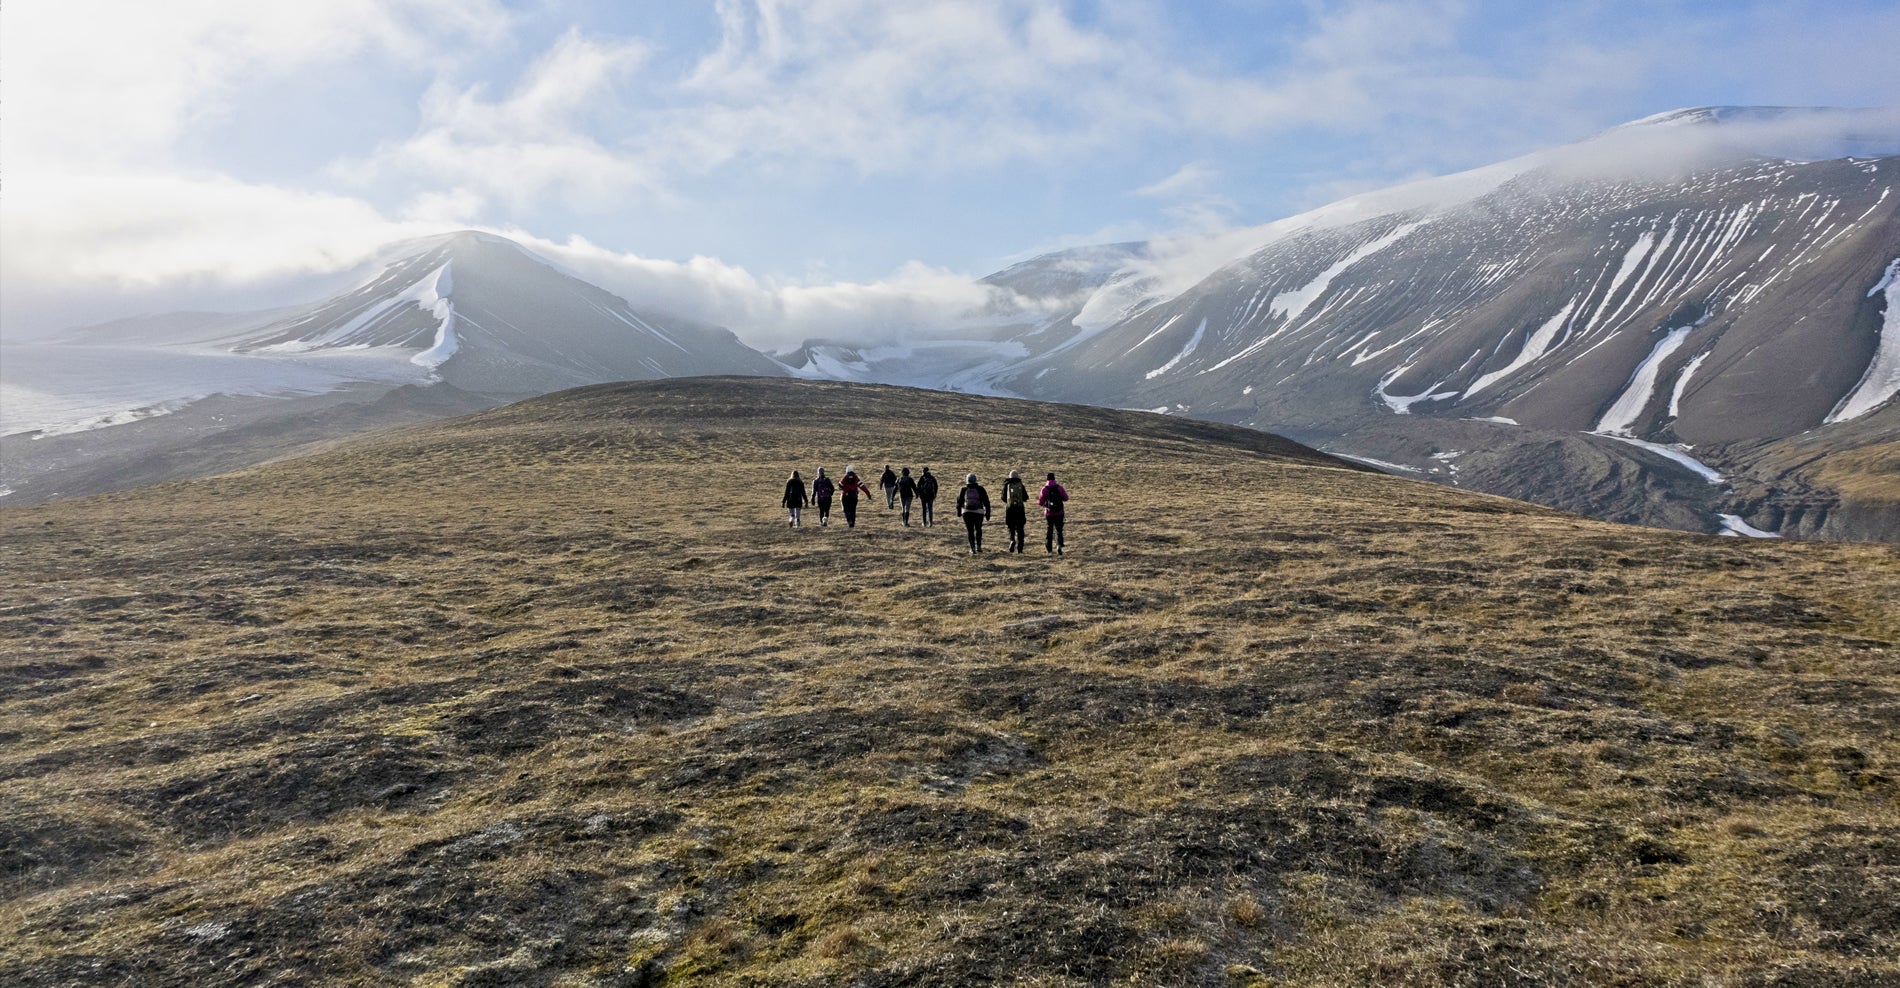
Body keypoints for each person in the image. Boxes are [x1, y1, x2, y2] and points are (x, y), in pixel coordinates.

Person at [956, 472, 991, 554]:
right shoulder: (981, 489)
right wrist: (988, 513)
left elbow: (959, 502)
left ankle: (972, 548)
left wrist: (959, 512)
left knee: (970, 530)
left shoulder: (963, 489)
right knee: (978, 529)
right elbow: (986, 502)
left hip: (967, 512)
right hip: (979, 512)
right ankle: (979, 546)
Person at [999, 469, 1030, 553]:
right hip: (1020, 509)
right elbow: (1025, 497)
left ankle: (1012, 539)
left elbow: (1003, 497)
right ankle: (1020, 548)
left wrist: (1009, 501)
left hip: (1010, 509)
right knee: (1020, 529)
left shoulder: (1007, 485)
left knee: (1011, 527)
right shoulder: (1020, 485)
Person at [1039, 472, 1068, 554]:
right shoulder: (1059, 488)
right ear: (1054, 479)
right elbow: (1066, 498)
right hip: (1059, 512)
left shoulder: (1044, 489)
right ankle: (1059, 545)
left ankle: (1049, 548)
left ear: (1047, 479)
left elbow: (1040, 502)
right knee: (1059, 529)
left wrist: (1042, 503)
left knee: (1050, 530)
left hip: (1049, 513)